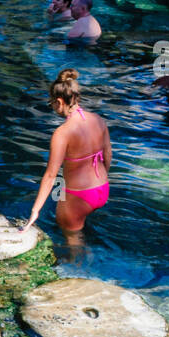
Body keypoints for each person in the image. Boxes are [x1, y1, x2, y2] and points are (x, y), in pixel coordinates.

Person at [22, 69, 111, 243]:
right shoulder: (98, 119)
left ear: (60, 101)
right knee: (82, 229)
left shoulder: (62, 133)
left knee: (73, 245)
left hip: (79, 197)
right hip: (102, 190)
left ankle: (78, 268)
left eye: (52, 104)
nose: (53, 108)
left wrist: (35, 211)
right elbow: (107, 155)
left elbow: (50, 176)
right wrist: (100, 182)